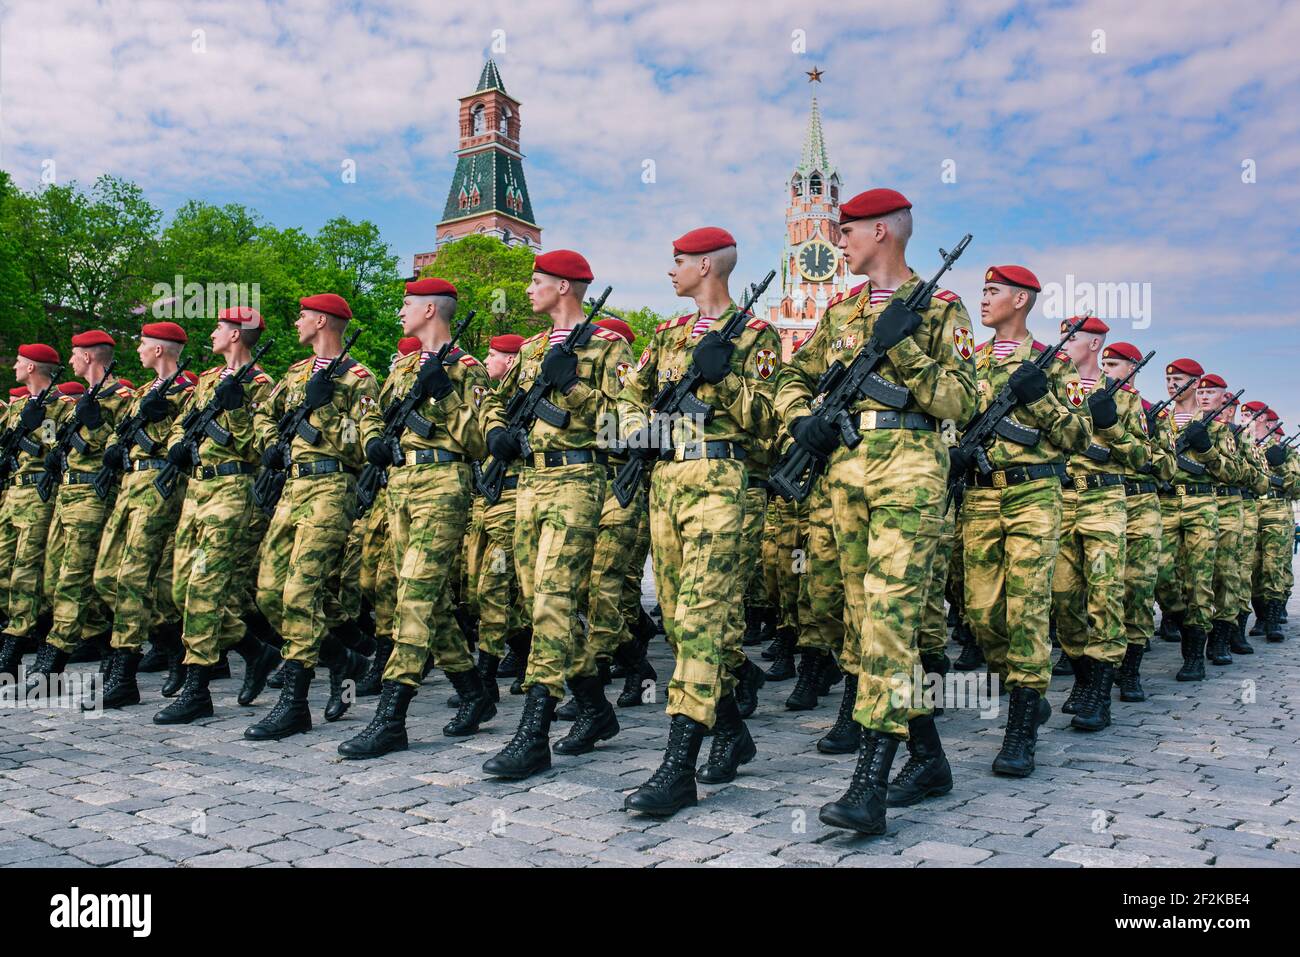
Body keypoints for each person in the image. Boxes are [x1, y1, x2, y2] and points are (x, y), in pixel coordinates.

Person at [775, 190, 977, 834]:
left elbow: (962, 401)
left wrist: (908, 350)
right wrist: (801, 418)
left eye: (850, 230)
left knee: (890, 617)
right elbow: (791, 376)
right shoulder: (840, 311)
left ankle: (869, 783)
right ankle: (929, 759)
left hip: (912, 468)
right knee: (867, 624)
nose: (840, 240)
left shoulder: (942, 309)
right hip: (847, 470)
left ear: (883, 232)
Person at [616, 226, 781, 815]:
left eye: (679, 260)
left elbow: (768, 419)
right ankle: (733, 730)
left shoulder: (756, 334)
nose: (672, 270)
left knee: (706, 618)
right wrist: (640, 427)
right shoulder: (666, 334)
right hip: (668, 481)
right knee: (683, 625)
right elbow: (631, 396)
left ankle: (677, 766)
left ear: (707, 266)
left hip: (721, 480)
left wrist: (724, 380)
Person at [478, 249, 633, 779]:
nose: (527, 289)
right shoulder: (534, 348)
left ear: (564, 287)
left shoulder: (607, 346)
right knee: (538, 601)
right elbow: (497, 401)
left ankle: (533, 731)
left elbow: (628, 423)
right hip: (530, 482)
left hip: (578, 478)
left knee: (552, 601)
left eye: (537, 280)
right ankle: (594, 707)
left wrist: (573, 387)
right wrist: (496, 431)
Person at [338, 278, 493, 758]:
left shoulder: (468, 369)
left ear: (430, 310)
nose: (400, 312)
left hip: (443, 485)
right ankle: (474, 692)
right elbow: (372, 412)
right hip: (400, 487)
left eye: (406, 305)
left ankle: (391, 717)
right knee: (428, 601)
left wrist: (445, 395)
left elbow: (481, 440)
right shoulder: (403, 365)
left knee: (414, 600)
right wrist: (372, 440)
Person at [957, 269, 1090, 777]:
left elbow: (1079, 435)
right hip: (981, 497)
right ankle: (1022, 691)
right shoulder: (971, 360)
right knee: (982, 610)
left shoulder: (1052, 365)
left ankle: (1019, 727)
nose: (984, 299)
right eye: (983, 290)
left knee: (1028, 605)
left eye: (993, 292)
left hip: (1035, 492)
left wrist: (1040, 399)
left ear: (1021, 299)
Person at [245, 293, 382, 740]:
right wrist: (273, 444)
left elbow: (364, 446)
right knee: (269, 591)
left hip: (332, 486)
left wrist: (321, 410)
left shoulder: (358, 379)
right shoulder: (297, 374)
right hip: (293, 486)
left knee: (300, 593)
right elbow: (265, 414)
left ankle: (294, 703)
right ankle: (343, 658)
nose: (297, 323)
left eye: (303, 316)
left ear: (321, 321)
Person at [154, 307, 279, 723]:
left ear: (237, 336)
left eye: (219, 328)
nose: (211, 334)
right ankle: (255, 651)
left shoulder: (261, 385)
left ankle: (197, 688)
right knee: (180, 590)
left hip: (231, 490)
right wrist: (176, 443)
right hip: (197, 491)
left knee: (204, 589)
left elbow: (260, 446)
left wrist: (239, 410)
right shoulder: (207, 380)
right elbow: (183, 424)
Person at [90, 322, 195, 708]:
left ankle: (123, 673)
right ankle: (171, 646)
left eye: (144, 343)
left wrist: (160, 422)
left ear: (161, 350)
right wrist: (114, 448)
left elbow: (184, 445)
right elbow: (120, 433)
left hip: (158, 485)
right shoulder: (141, 393)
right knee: (105, 576)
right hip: (129, 486)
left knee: (132, 578)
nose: (137, 349)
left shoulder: (187, 392)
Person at [26, 331, 133, 693]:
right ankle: (107, 650)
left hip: (93, 494)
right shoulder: (82, 400)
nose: (69, 361)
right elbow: (53, 443)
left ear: (89, 357)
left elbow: (122, 446)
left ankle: (52, 664)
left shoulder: (121, 398)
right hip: (66, 495)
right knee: (55, 579)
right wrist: (41, 425)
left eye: (74, 355)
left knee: (73, 579)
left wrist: (97, 424)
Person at [1099, 342, 1174, 702]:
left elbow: (1166, 465)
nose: (1106, 369)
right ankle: (1096, 670)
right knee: (1100, 589)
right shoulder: (1086, 401)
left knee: (1137, 588)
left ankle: (1130, 671)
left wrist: (1116, 434)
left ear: (1132, 368)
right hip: (1098, 500)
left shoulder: (1150, 412)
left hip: (1141, 503)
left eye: (1113, 364)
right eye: (1103, 363)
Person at [1151, 358, 1222, 681]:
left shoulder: (1215, 425)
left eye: (1177, 379)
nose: (1171, 386)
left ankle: (1194, 654)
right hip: (1165, 502)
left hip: (1200, 503)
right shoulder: (1158, 420)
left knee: (1198, 579)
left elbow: (1232, 472)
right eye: (1168, 380)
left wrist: (1206, 448)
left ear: (1195, 383)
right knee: (1162, 577)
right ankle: (1179, 620)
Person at [0, 344, 63, 678]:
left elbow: (53, 448)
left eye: (20, 362)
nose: (15, 367)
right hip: (14, 493)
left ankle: (13, 647)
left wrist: (38, 428)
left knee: (25, 573)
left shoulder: (54, 406)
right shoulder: (20, 405)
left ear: (33, 368)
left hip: (38, 495)